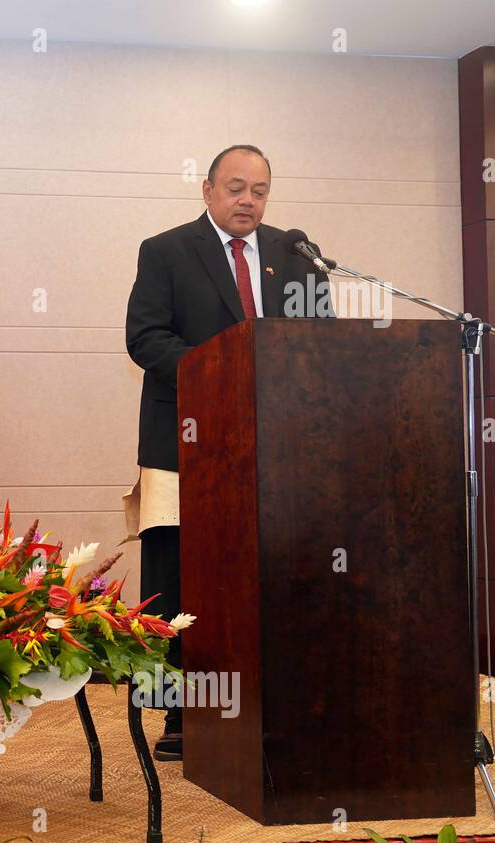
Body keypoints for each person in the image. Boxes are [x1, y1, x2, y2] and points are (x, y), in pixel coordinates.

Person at [124, 144, 333, 762]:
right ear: (207, 189)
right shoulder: (165, 251)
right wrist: (222, 372)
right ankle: (178, 715)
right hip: (187, 441)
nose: (248, 200)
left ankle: (278, 702)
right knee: (181, 579)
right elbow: (145, 338)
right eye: (236, 187)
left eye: (259, 191)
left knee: (271, 569)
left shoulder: (294, 257)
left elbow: (321, 341)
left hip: (277, 442)